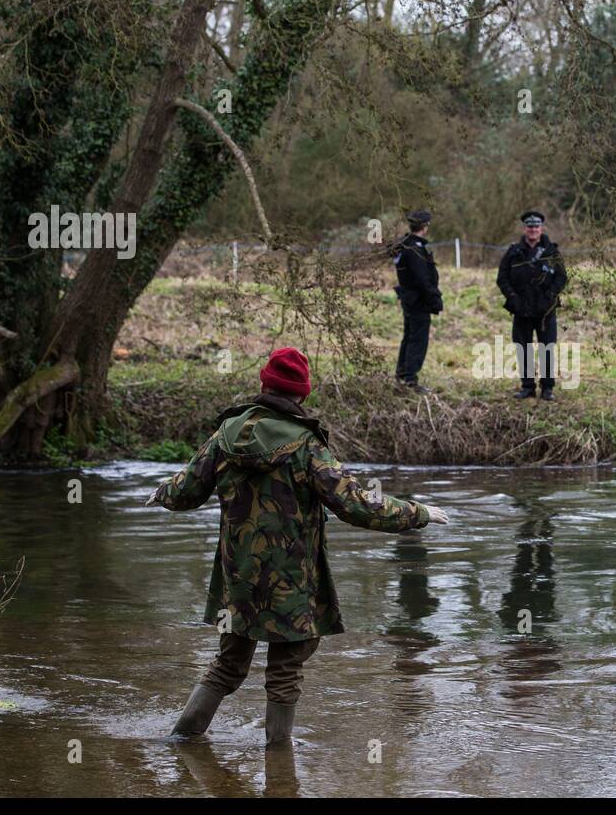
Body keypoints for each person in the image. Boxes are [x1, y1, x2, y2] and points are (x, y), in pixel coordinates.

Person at [146, 347, 449, 746]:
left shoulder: (225, 434)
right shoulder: (306, 444)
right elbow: (357, 505)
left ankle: (179, 742)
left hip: (238, 579)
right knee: (285, 672)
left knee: (227, 666)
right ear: (301, 395)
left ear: (264, 384)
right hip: (291, 580)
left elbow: (186, 491)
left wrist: (161, 493)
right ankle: (279, 764)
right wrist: (418, 513)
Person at [497, 211, 568, 400]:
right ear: (525, 229)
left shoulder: (552, 252)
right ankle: (527, 387)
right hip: (521, 310)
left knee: (547, 349)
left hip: (546, 311)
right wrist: (512, 297)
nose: (533, 230)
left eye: (536, 227)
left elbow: (562, 277)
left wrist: (550, 296)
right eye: (530, 227)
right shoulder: (513, 252)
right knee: (523, 348)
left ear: (541, 228)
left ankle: (547, 388)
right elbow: (502, 278)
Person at [393, 209, 442, 393]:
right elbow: (422, 278)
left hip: (409, 298)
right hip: (418, 300)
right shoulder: (415, 249)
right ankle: (410, 379)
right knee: (417, 339)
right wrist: (434, 298)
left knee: (409, 336)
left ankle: (402, 375)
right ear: (425, 227)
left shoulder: (404, 245)